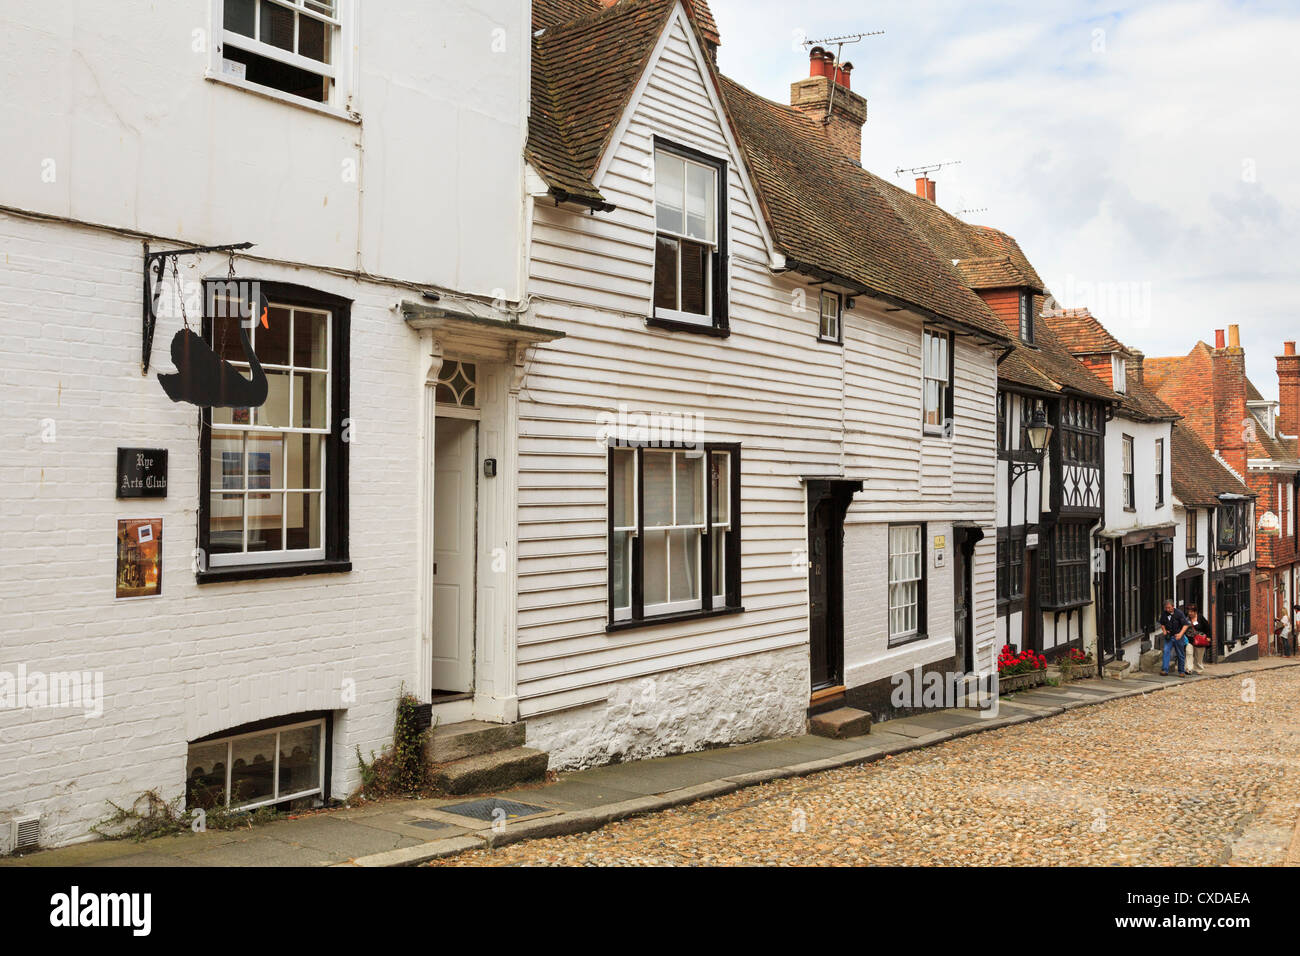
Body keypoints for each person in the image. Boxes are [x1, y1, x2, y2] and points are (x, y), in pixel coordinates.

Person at [1158, 598, 1190, 677]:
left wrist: (1180, 634)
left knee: (1180, 653)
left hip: (1178, 636)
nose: (1167, 609)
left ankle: (1181, 671)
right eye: (1166, 608)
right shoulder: (1164, 614)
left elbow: (1185, 625)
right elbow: (1162, 623)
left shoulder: (1179, 613)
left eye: (1169, 607)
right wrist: (1164, 631)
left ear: (1173, 606)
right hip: (1169, 637)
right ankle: (1165, 670)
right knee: (1166, 651)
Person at [1185, 605, 1210, 673]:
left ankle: (1199, 669)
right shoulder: (1186, 618)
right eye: (1189, 611)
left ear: (1195, 612)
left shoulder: (1200, 617)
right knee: (1189, 653)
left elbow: (1207, 627)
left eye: (1191, 612)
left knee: (1199, 656)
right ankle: (1188, 669)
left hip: (1199, 640)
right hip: (1189, 639)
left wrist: (1208, 637)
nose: (1190, 613)